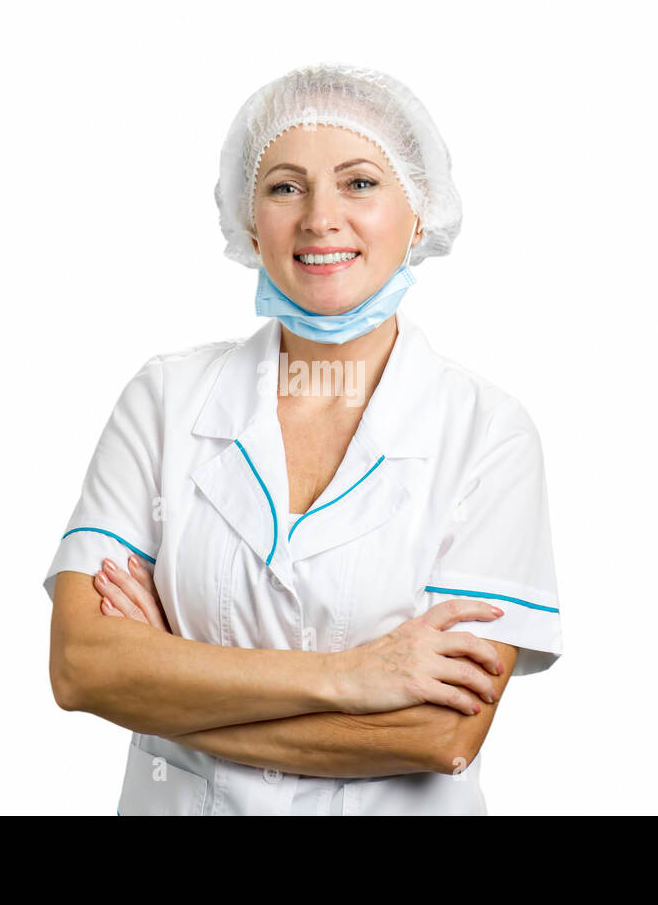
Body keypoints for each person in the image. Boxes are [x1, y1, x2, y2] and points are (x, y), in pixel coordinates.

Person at [43, 63, 563, 815]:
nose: (320, 218)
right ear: (250, 223)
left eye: (360, 183)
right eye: (285, 186)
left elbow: (441, 734)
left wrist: (171, 685)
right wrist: (352, 677)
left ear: (419, 213)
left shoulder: (487, 433)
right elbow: (81, 667)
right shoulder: (165, 398)